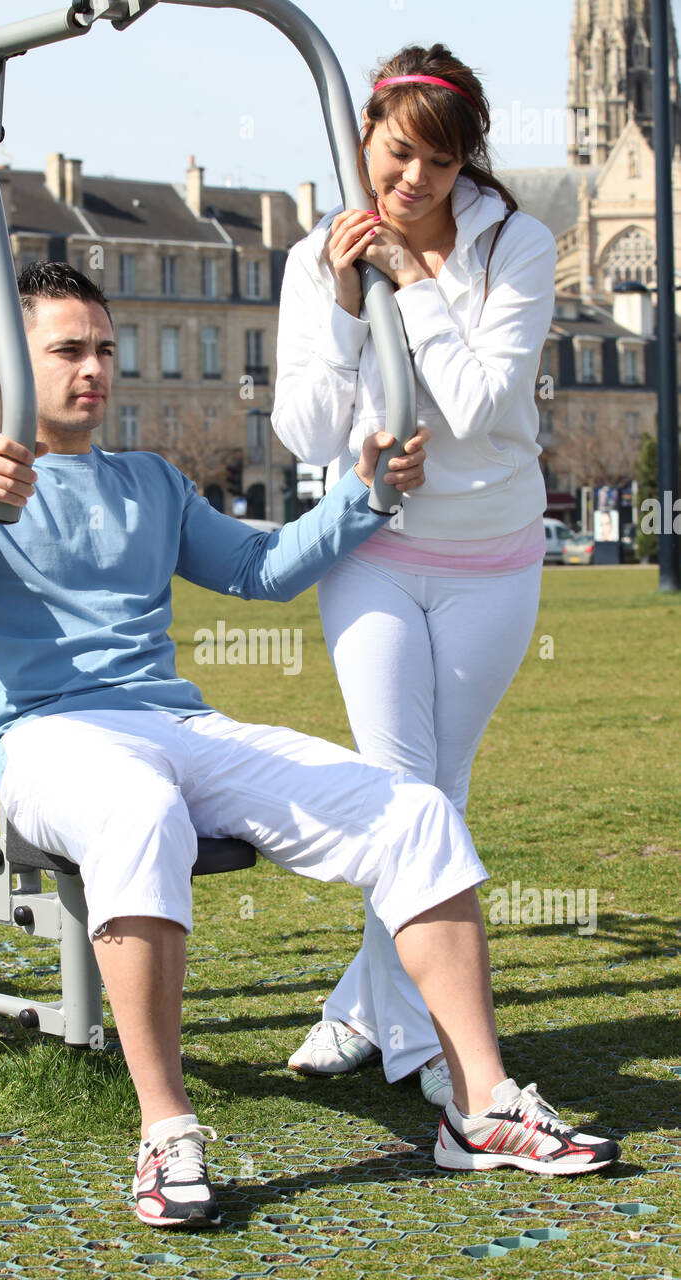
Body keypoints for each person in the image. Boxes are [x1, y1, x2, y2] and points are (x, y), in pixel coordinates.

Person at [0, 263, 618, 1231]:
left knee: (414, 812)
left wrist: (362, 497)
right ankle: (165, 1127)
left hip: (178, 723)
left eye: (103, 348)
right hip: (50, 736)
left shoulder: (147, 480)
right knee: (138, 812)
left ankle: (478, 1106)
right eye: (68, 350)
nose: (94, 368)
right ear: (12, 362)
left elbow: (260, 571)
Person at [273, 45, 556, 1107]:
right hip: (374, 553)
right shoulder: (319, 252)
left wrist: (410, 278)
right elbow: (302, 427)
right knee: (402, 797)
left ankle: (362, 1005)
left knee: (435, 794)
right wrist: (348, 297)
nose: (412, 184)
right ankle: (430, 1050)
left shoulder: (516, 245)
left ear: (462, 164)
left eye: (436, 167)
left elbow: (481, 405)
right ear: (364, 142)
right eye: (396, 156)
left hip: (493, 555)